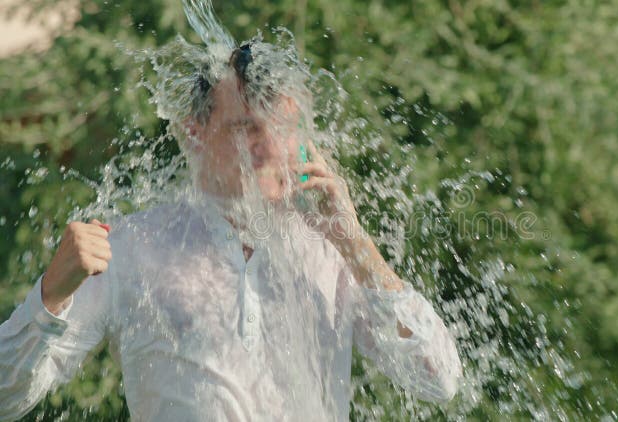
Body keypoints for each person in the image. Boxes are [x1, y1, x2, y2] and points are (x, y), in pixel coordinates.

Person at [0, 41, 462, 421]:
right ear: (195, 132)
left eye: (284, 127)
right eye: (247, 129)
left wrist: (358, 246)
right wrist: (50, 297)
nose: (272, 147)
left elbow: (438, 379)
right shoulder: (131, 247)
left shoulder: (332, 250)